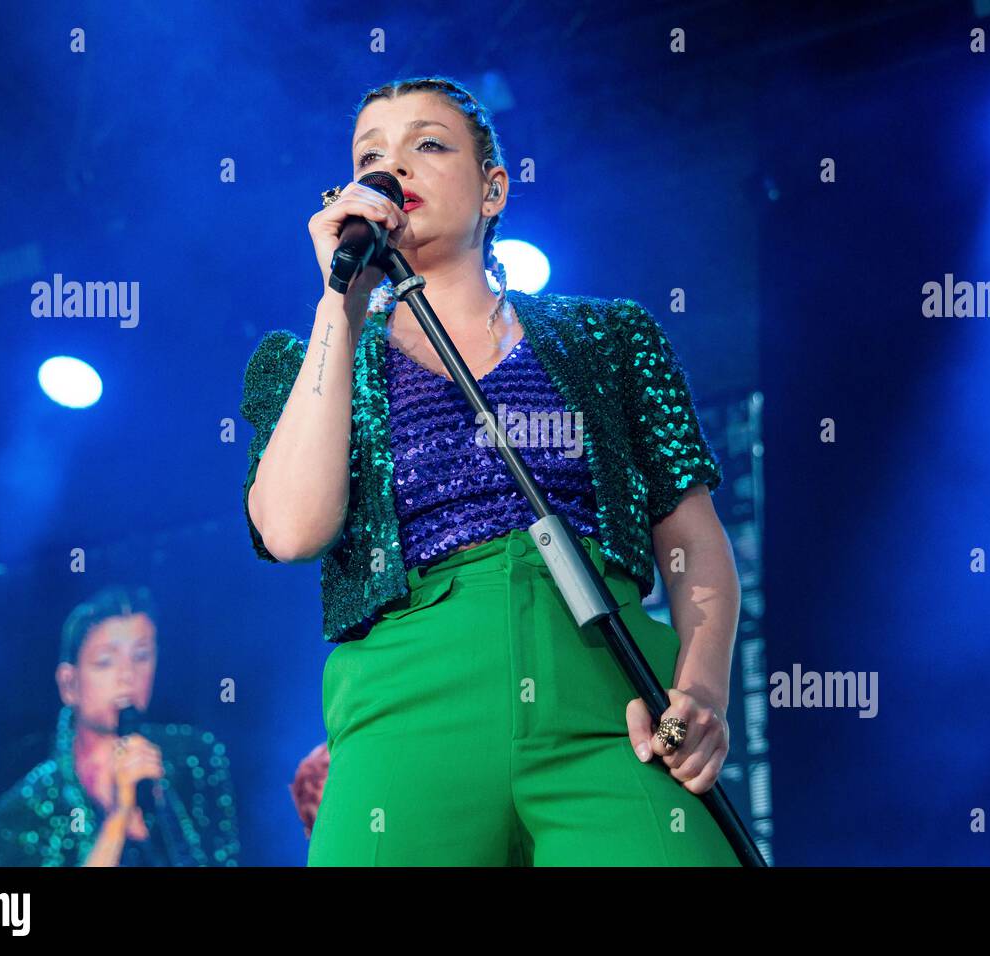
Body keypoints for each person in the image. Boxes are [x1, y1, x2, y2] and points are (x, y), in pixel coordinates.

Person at [242, 76, 740, 866]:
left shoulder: (607, 335)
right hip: (408, 707)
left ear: (493, 189)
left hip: (606, 695)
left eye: (428, 145)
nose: (393, 168)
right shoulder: (307, 360)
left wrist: (701, 692)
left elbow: (694, 543)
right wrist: (340, 302)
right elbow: (294, 529)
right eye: (370, 155)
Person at [0, 585, 241, 866]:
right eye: (105, 662)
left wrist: (161, 815)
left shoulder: (196, 758)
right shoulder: (25, 808)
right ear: (69, 684)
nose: (127, 675)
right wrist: (119, 818)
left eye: (141, 656)